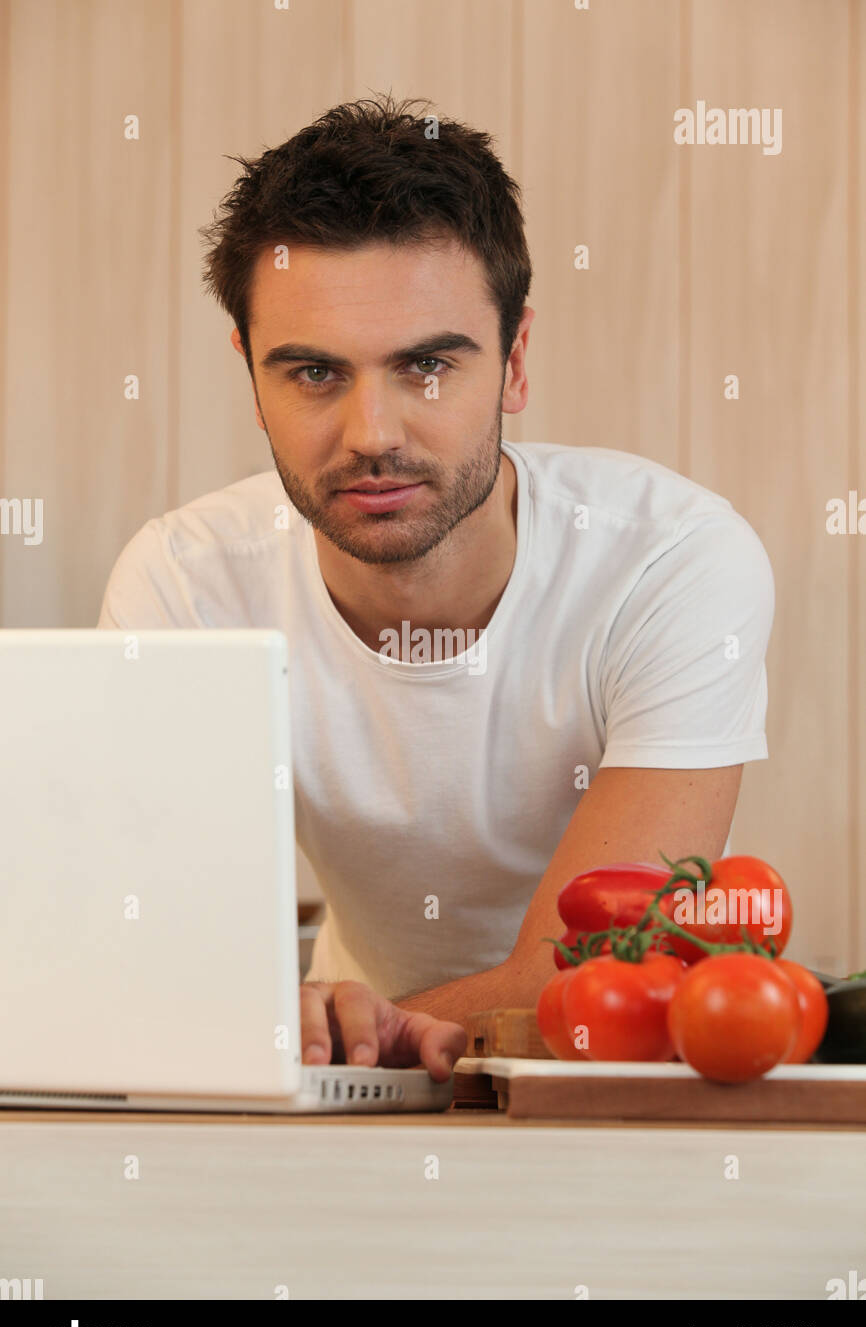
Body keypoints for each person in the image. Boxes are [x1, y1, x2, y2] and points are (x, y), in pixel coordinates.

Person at [97, 95, 774, 1077]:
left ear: (514, 361)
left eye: (424, 366)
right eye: (314, 373)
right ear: (250, 373)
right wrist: (290, 1028)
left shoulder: (670, 563)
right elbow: (155, 948)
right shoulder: (185, 583)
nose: (371, 432)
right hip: (331, 1093)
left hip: (579, 1082)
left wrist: (324, 1044)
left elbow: (582, 974)